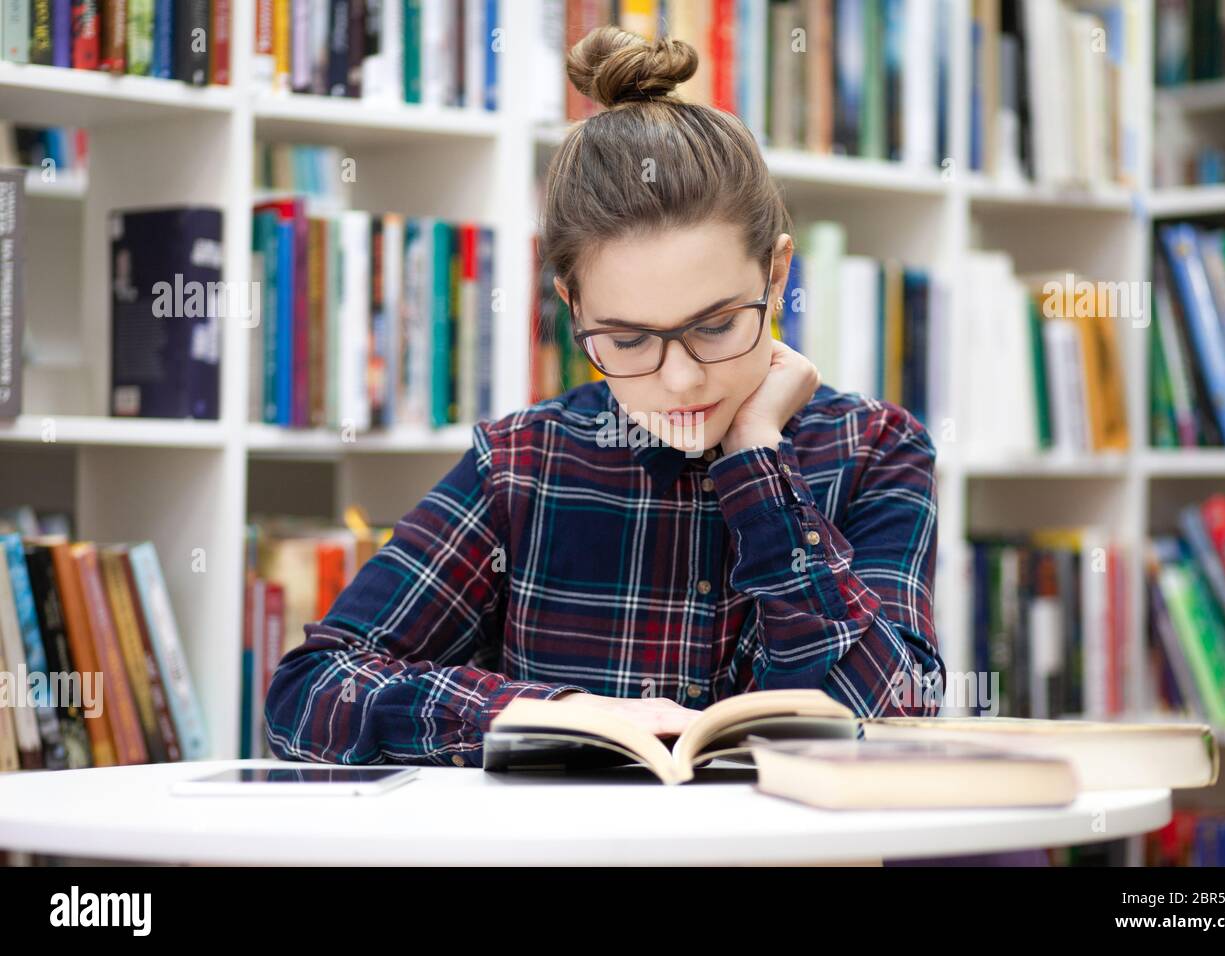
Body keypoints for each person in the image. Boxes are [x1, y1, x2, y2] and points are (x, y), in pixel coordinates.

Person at [264, 25, 946, 770]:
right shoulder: (523, 463)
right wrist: (552, 713)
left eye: (717, 326)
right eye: (626, 341)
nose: (680, 379)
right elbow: (309, 695)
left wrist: (758, 465)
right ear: (572, 302)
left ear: (777, 275)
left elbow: (892, 714)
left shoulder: (877, 449)